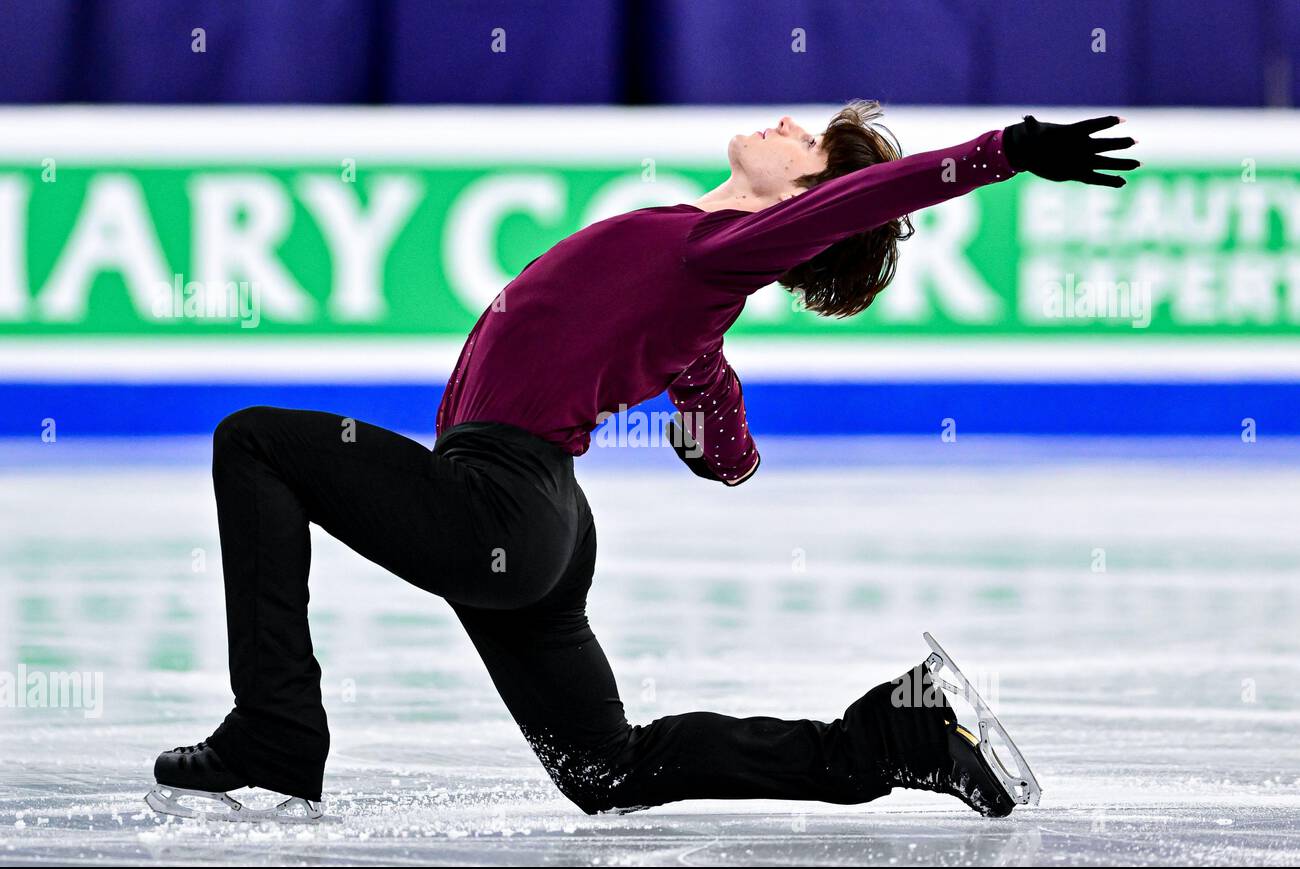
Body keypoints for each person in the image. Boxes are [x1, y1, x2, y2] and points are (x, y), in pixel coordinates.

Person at [147, 103, 1138, 820]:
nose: (787, 122)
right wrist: (725, 455)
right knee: (606, 771)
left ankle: (275, 725)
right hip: (534, 522)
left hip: (498, 502)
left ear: (802, 192)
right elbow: (708, 398)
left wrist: (1002, 152)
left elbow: (853, 205)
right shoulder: (694, 259)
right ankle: (892, 734)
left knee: (255, 442)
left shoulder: (726, 252)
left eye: (805, 141)